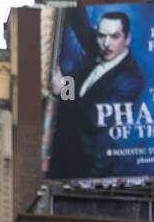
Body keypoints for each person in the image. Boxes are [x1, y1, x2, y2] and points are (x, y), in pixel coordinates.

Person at [49, 9, 145, 179]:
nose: (106, 43)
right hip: (63, 152)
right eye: (102, 36)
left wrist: (64, 89)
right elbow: (80, 23)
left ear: (127, 38)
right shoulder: (100, 47)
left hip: (86, 167)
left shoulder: (131, 79)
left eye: (115, 36)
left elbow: (92, 117)